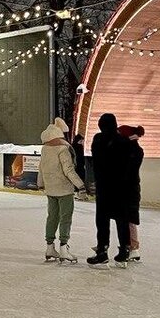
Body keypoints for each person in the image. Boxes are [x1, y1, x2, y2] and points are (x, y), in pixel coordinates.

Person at [88, 113, 136, 264]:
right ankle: (124, 250)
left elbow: (95, 160)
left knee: (102, 220)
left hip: (104, 186)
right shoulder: (124, 141)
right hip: (122, 187)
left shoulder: (98, 139)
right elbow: (131, 164)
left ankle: (102, 251)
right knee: (122, 219)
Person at [37, 120, 86, 263]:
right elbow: (68, 170)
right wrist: (81, 185)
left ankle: (49, 247)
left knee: (52, 217)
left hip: (51, 189)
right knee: (65, 218)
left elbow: (41, 168)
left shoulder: (45, 148)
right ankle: (64, 248)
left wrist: (41, 184)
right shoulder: (63, 148)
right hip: (64, 189)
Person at [119, 124, 145, 257]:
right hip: (134, 187)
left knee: (127, 218)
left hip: (127, 188)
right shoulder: (138, 149)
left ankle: (132, 247)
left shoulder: (127, 150)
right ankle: (133, 247)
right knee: (131, 218)